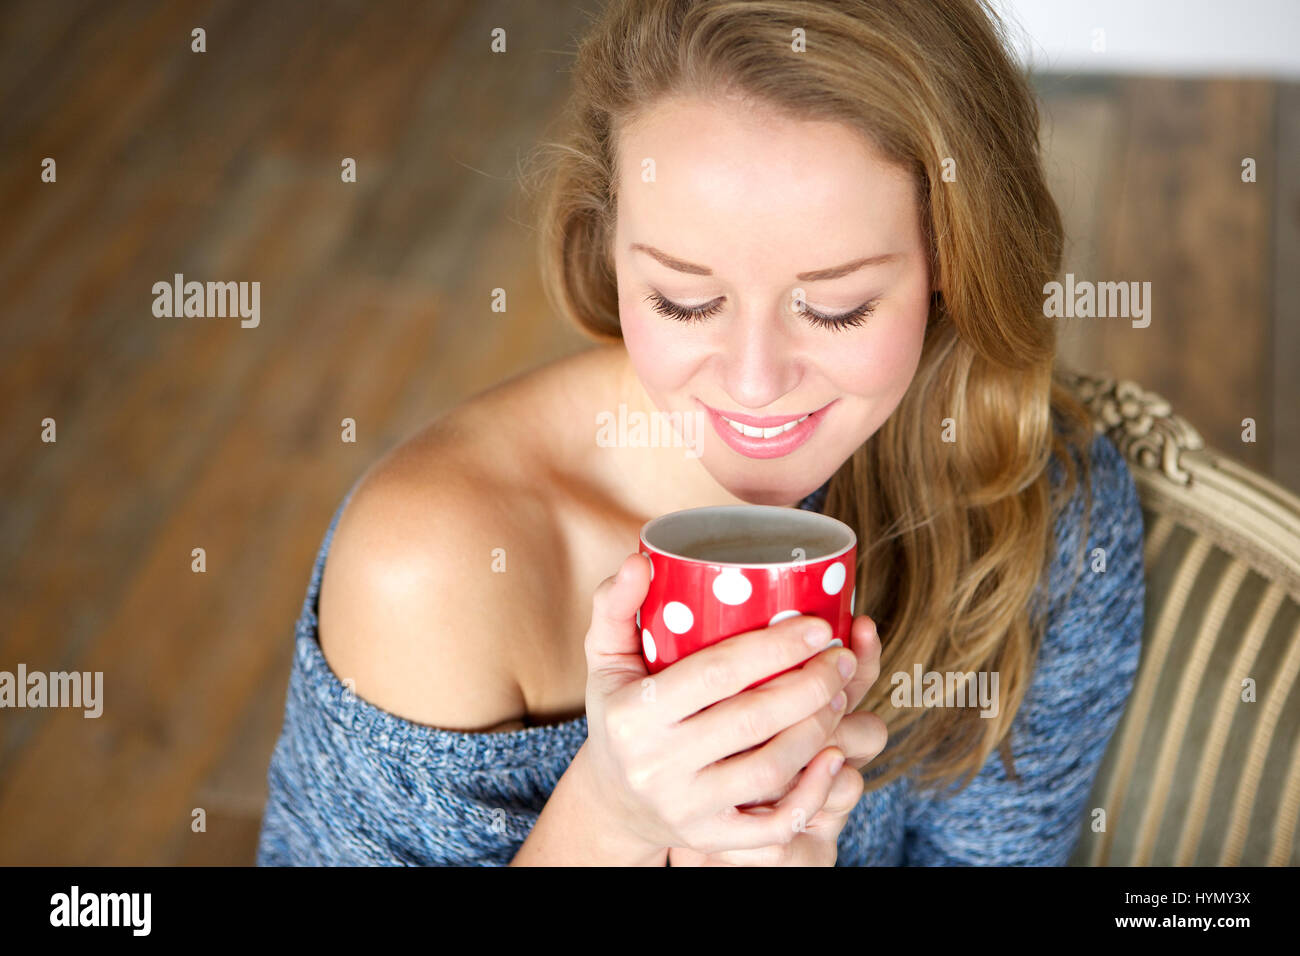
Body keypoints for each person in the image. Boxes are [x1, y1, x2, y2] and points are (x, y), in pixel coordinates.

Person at [256, 0, 1145, 866]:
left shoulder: (1037, 510)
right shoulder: (436, 568)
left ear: (952, 259)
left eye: (837, 309)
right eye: (685, 299)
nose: (755, 384)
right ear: (609, 245)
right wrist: (608, 821)